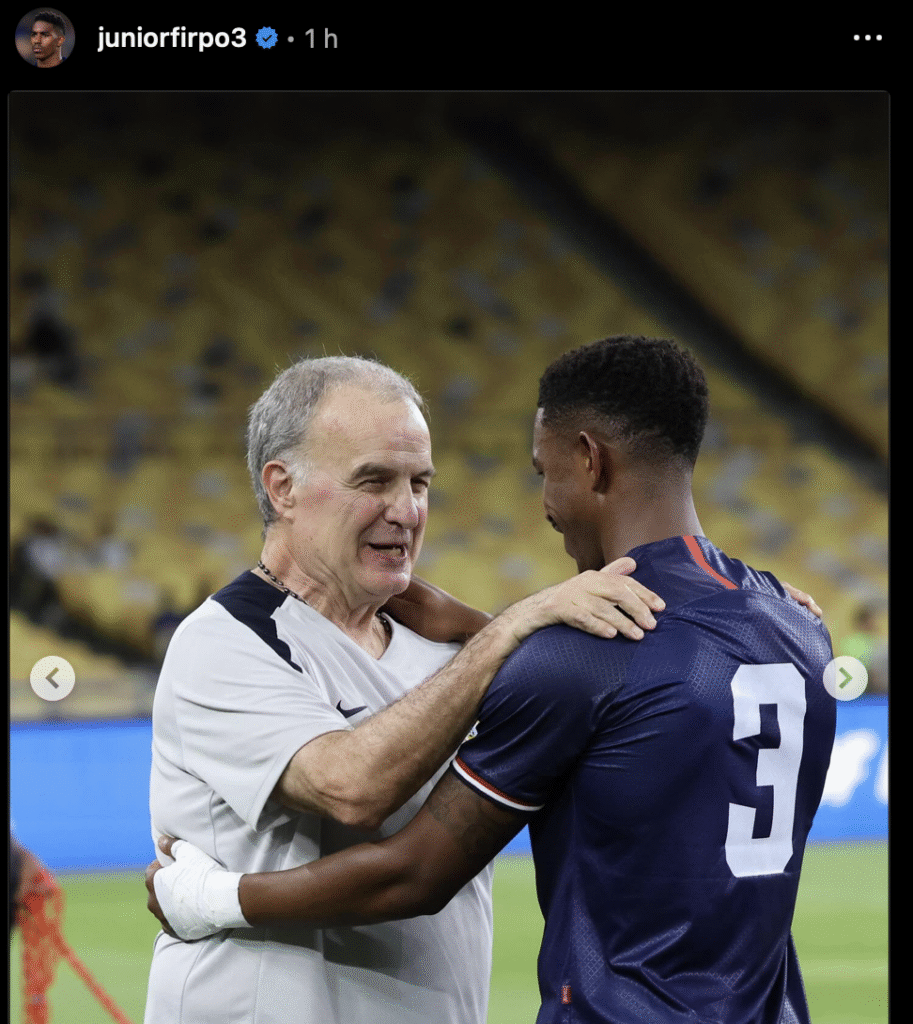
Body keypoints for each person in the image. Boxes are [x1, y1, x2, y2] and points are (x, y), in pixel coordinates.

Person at [148, 337, 835, 1024]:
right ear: (282, 488)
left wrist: (210, 898)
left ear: (590, 460)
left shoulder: (542, 655)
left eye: (418, 483)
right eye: (374, 480)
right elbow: (348, 783)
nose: (407, 509)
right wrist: (507, 628)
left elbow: (415, 872)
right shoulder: (789, 627)